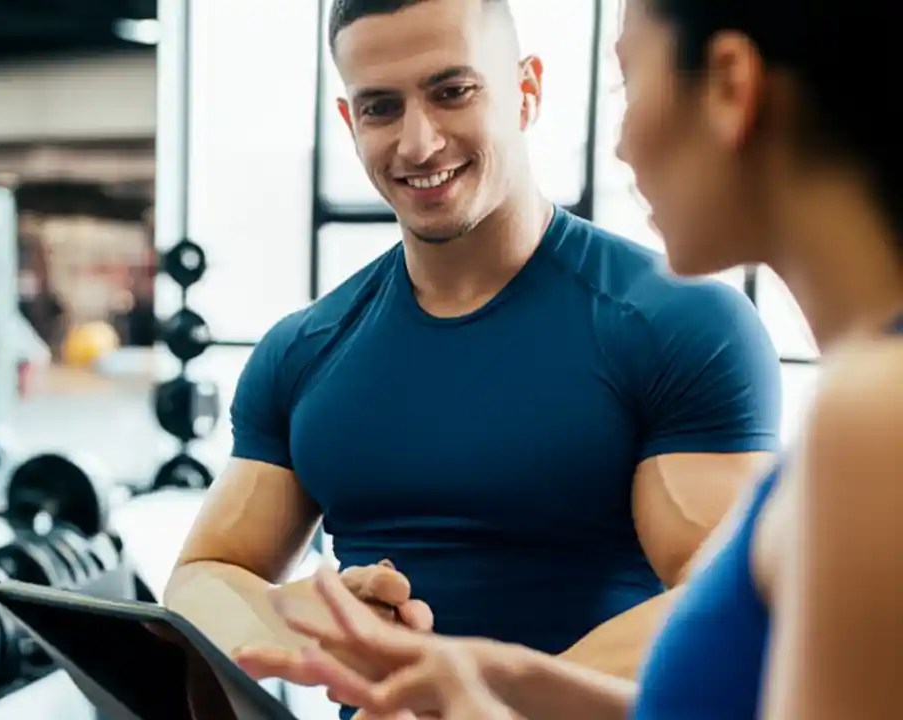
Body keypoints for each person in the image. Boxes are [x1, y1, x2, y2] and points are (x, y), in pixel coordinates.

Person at [237, 0, 903, 717]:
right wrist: (479, 682)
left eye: (629, 85)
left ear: (729, 87)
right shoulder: (866, 400)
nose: (619, 146)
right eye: (381, 108)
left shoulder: (872, 411)